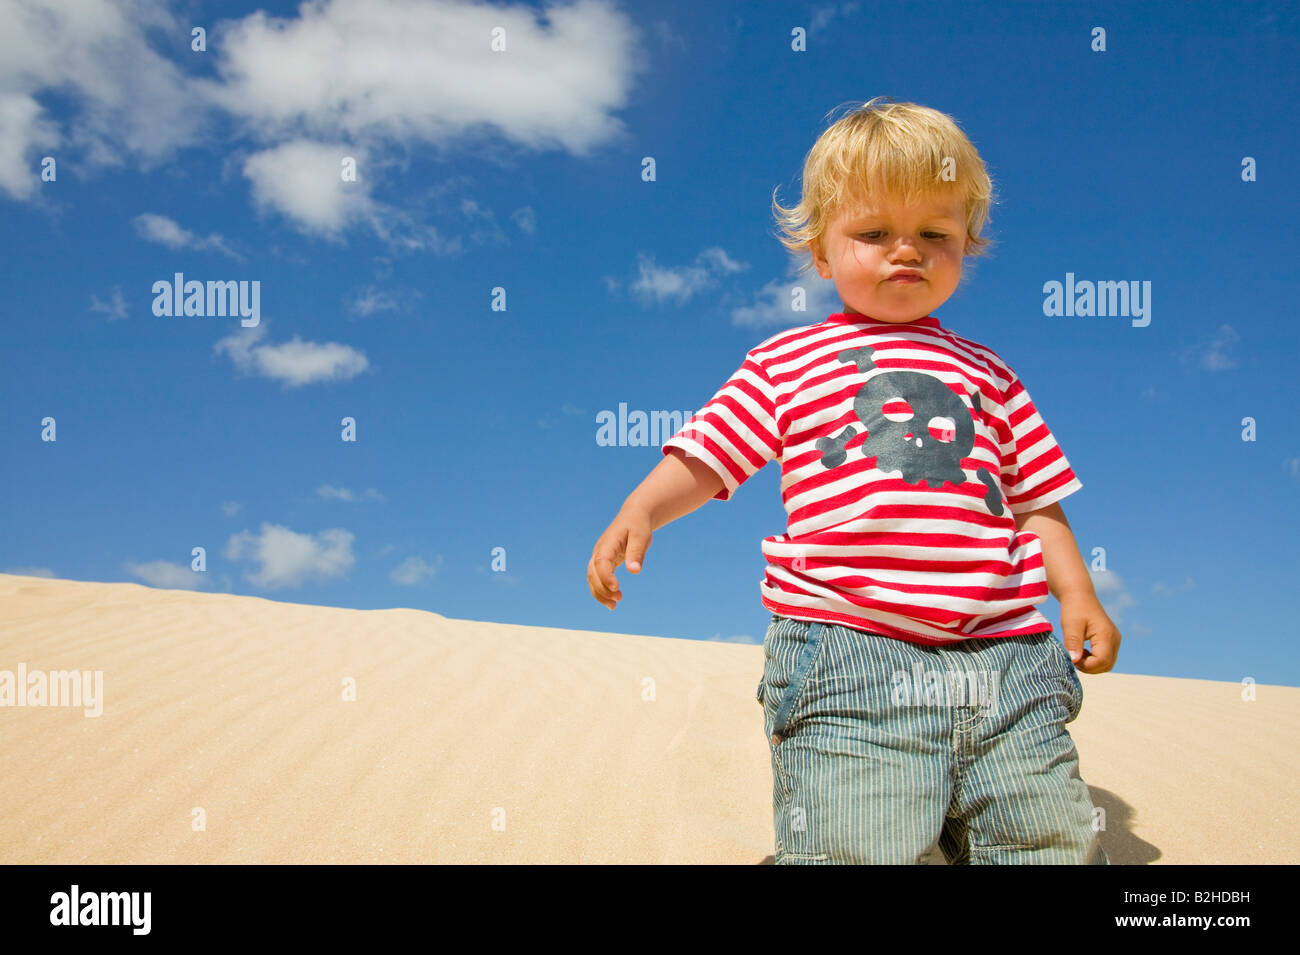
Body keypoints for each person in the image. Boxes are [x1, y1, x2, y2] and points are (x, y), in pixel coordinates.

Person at [587, 97, 1120, 864]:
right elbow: (711, 452)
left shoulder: (993, 376)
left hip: (1007, 660)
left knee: (1050, 841)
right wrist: (640, 508)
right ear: (822, 253)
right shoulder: (787, 362)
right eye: (874, 233)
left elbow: (1037, 498)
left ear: (967, 246)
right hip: (849, 653)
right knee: (852, 840)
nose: (906, 251)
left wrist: (1077, 593)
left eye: (934, 234)